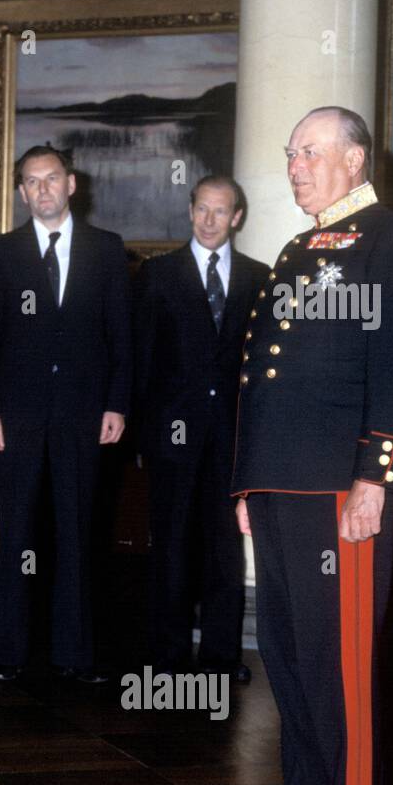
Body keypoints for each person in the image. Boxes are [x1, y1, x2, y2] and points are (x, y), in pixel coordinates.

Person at [232, 105, 393, 785]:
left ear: (355, 159)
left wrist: (375, 479)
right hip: (282, 484)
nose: (295, 166)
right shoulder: (298, 246)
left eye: (310, 152)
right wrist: (246, 485)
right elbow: (265, 378)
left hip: (338, 488)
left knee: (342, 659)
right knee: (289, 656)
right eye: (290, 153)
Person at [0, 144, 131, 683]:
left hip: (86, 415)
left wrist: (117, 403)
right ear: (22, 192)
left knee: (78, 529)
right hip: (17, 416)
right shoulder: (1, 252)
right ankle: (11, 652)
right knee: (18, 531)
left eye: (52, 178)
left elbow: (122, 338)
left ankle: (75, 653)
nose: (43, 189)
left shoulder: (107, 250)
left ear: (71, 184)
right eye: (32, 181)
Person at [134, 175, 268, 680]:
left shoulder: (260, 278)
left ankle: (220, 657)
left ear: (237, 217)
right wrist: (145, 438)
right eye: (202, 210)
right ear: (190, 211)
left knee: (224, 549)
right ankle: (166, 658)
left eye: (221, 212)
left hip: (231, 440)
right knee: (169, 546)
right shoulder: (158, 274)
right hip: (172, 437)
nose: (210, 221)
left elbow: (260, 370)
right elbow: (143, 362)